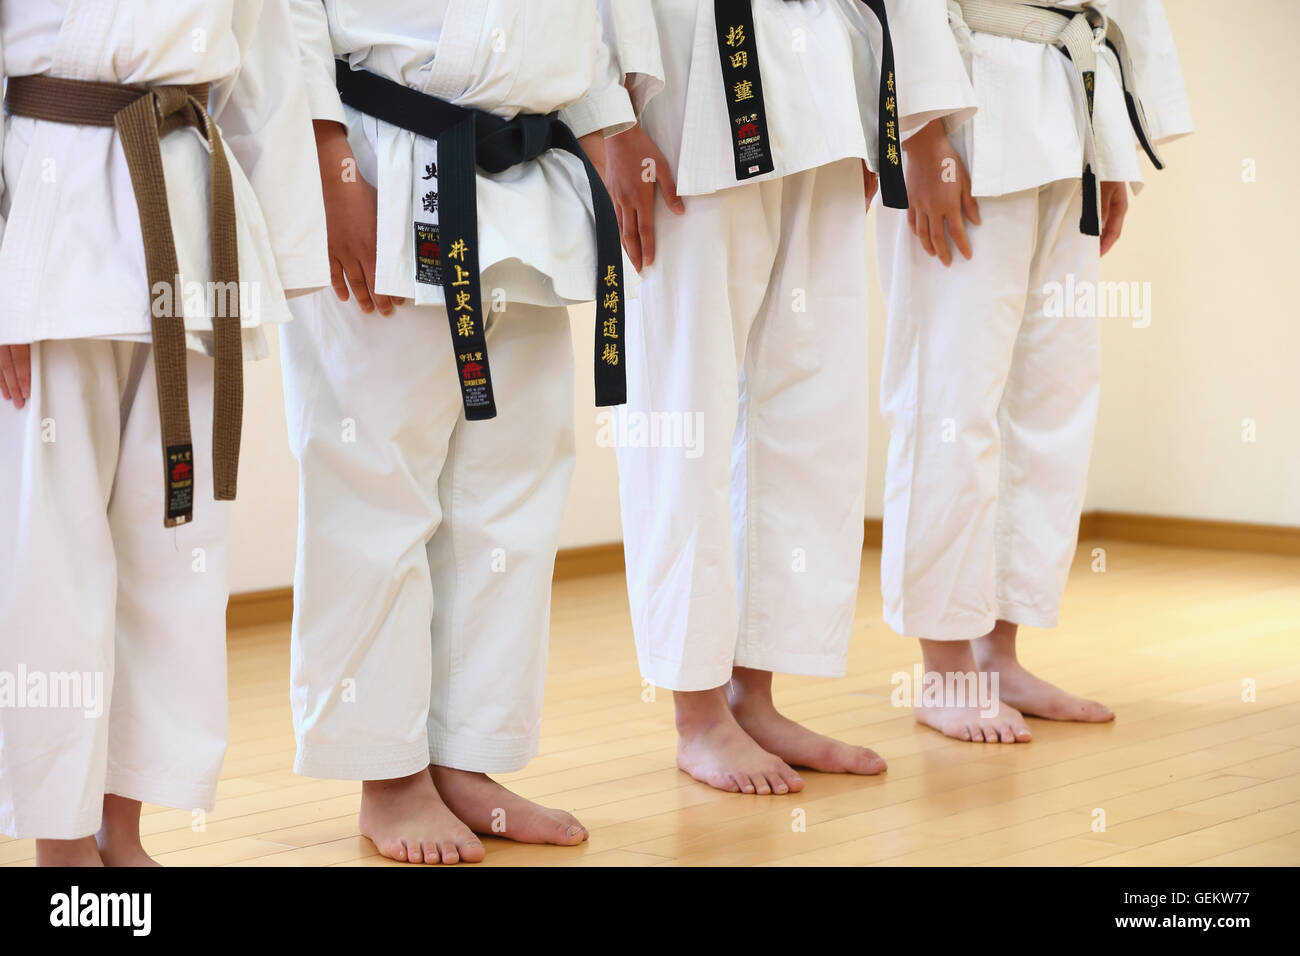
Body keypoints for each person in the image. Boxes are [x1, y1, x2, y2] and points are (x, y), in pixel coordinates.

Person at [284, 0, 636, 863]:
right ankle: (388, 774)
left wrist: (607, 128)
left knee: (511, 484)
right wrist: (326, 162)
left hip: (526, 169)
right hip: (382, 150)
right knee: (377, 479)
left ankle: (469, 757)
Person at [601, 0, 976, 794]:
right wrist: (608, 112)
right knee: (685, 408)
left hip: (825, 86)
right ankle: (697, 713)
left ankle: (754, 693)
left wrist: (889, 103)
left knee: (811, 406)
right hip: (688, 75)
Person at [0, 0, 327, 865]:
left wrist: (287, 264)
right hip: (49, 219)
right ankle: (60, 842)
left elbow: (264, 69)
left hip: (191, 216)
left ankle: (124, 825)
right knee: (50, 559)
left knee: (176, 547)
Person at [876, 0, 1192, 743]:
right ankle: (945, 663)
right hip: (965, 104)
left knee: (1054, 395)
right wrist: (920, 132)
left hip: (1071, 102)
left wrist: (1111, 144)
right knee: (952, 395)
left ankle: (998, 651)